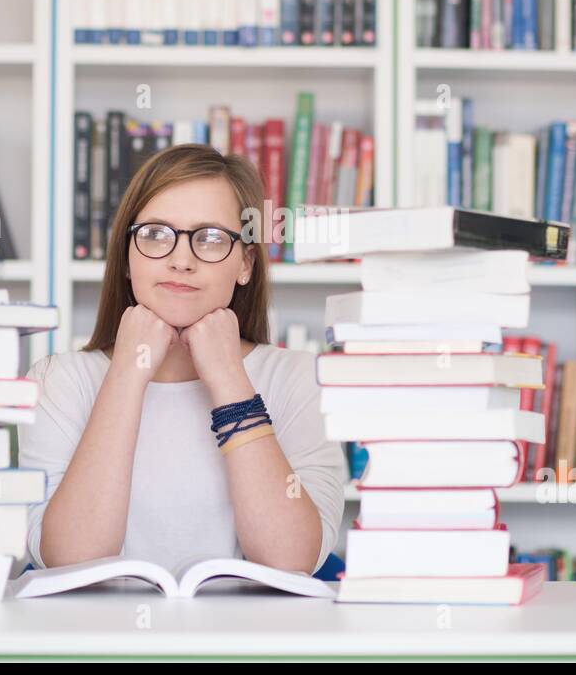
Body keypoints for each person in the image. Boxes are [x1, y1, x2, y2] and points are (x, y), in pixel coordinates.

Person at [20, 143, 346, 575]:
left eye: (210, 239)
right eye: (156, 234)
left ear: (245, 264)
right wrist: (128, 373)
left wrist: (228, 378)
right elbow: (71, 560)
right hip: (102, 639)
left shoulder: (300, 378)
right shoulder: (59, 380)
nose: (180, 260)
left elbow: (291, 560)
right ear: (126, 256)